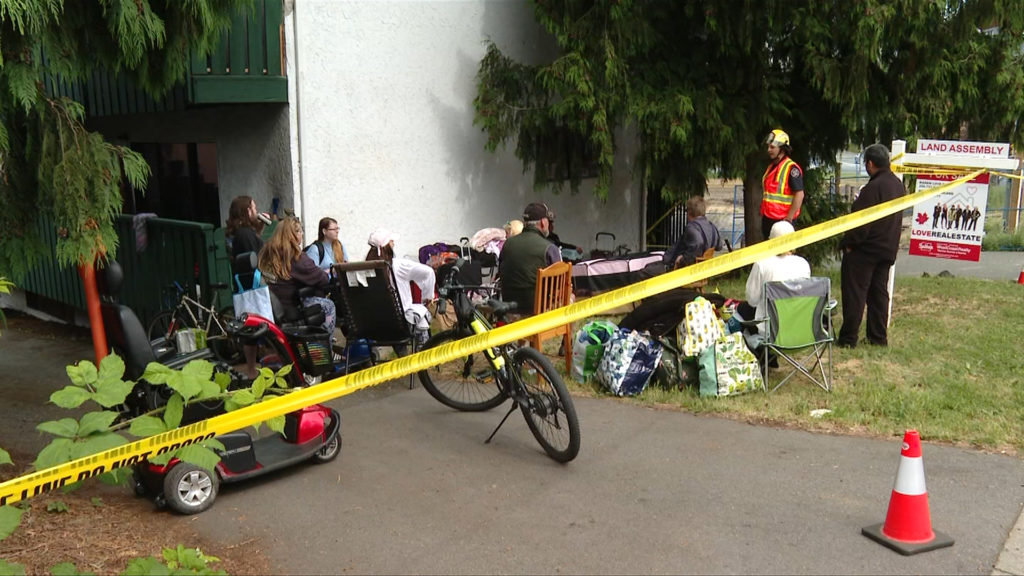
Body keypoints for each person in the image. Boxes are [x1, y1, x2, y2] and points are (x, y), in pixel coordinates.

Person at [837, 143, 905, 348]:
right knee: (878, 295)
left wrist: (849, 244)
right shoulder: (898, 186)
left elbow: (861, 222)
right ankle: (877, 337)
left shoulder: (872, 188)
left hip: (864, 251)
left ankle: (848, 339)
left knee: (855, 295)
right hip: (886, 249)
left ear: (870, 164)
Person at [736, 221, 811, 349]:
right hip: (800, 327)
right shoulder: (803, 264)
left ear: (770, 241)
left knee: (740, 310)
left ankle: (753, 353)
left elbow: (752, 300)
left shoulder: (762, 264)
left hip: (771, 330)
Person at [257, 216, 336, 337]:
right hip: (291, 307)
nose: (302, 234)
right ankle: (325, 350)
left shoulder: (268, 253)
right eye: (299, 231)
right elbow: (322, 279)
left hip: (271, 307)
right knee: (329, 305)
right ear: (293, 234)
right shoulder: (296, 257)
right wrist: (326, 273)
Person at [365, 228, 435, 342]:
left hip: (376, 322)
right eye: (391, 241)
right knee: (421, 313)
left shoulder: (365, 267)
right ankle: (423, 352)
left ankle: (402, 356)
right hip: (402, 322)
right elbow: (429, 272)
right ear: (386, 246)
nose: (394, 243)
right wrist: (427, 297)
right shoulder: (398, 265)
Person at [497, 202, 562, 313]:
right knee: (570, 297)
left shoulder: (507, 245)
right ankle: (565, 331)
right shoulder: (549, 248)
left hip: (510, 309)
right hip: (539, 311)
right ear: (543, 222)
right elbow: (560, 286)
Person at [760, 129, 805, 240]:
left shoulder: (791, 168)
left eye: (772, 147)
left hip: (782, 221)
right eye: (768, 147)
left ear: (782, 149)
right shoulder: (771, 167)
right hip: (768, 219)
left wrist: (789, 218)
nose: (769, 150)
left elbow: (799, 194)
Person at [662, 196, 724, 270]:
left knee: (646, 269)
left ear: (689, 212)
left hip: (675, 268)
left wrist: (682, 260)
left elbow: (698, 243)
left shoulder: (692, 228)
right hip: (702, 269)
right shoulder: (712, 227)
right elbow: (719, 246)